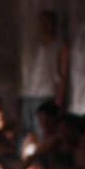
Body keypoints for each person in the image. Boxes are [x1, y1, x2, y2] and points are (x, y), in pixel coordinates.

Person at [18, 10, 68, 153]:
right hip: (30, 92)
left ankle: (40, 163)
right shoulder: (36, 46)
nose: (45, 26)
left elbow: (63, 73)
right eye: (42, 23)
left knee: (42, 132)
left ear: (54, 24)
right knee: (27, 131)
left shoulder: (60, 45)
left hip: (47, 93)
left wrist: (60, 97)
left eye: (48, 23)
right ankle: (26, 163)